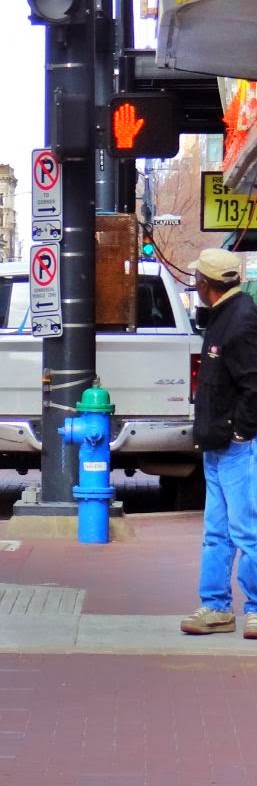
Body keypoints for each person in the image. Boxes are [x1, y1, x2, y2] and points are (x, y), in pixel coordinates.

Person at [179, 248, 257, 640]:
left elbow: (252, 385)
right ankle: (216, 606)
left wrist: (240, 431)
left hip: (234, 446)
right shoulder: (228, 316)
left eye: (196, 279)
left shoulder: (239, 322)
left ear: (204, 284)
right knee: (218, 531)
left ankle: (250, 607)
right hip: (221, 443)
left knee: (245, 530)